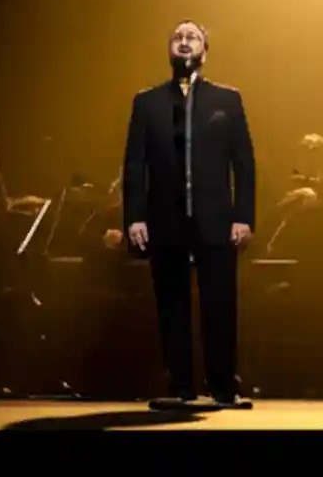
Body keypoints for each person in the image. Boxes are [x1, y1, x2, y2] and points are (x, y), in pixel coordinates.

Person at [122, 20, 256, 409]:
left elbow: (244, 163)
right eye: (177, 37)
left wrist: (243, 216)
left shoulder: (226, 99)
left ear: (204, 50)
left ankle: (223, 387)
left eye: (192, 37)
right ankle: (180, 385)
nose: (184, 41)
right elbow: (134, 165)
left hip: (216, 217)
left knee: (220, 302)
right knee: (172, 303)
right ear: (169, 50)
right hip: (166, 217)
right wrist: (135, 217)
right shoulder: (147, 102)